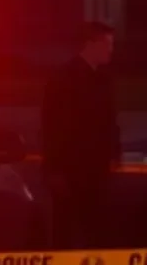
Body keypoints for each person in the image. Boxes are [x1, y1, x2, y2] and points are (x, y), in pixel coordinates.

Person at [41, 21, 120, 249]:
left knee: (95, 231)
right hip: (70, 170)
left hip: (96, 170)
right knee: (65, 231)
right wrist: (54, 168)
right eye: (107, 44)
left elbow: (109, 121)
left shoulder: (103, 79)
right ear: (91, 43)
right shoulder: (63, 79)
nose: (111, 50)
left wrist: (114, 151)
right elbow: (52, 126)